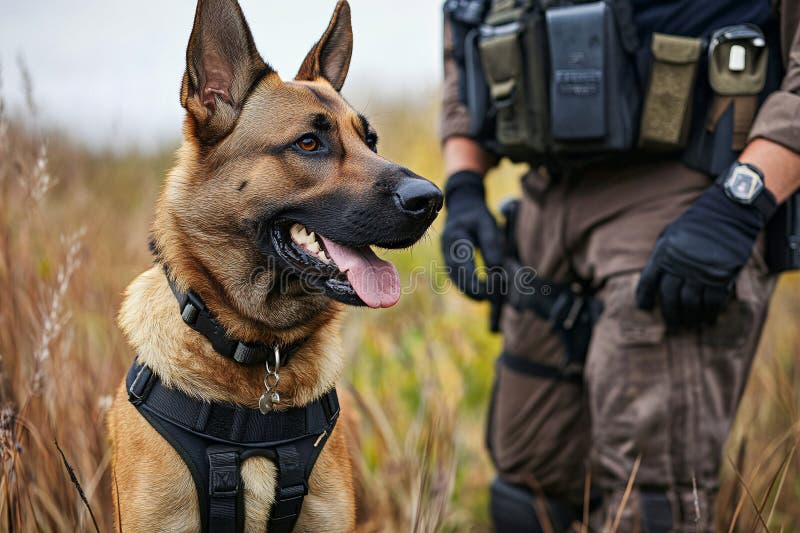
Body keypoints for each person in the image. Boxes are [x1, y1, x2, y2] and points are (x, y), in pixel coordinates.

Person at [440, 0, 800, 530]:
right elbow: (466, 30)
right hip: (547, 195)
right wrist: (464, 185)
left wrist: (741, 201)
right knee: (528, 491)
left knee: (651, 497)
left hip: (683, 194)